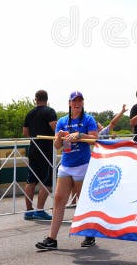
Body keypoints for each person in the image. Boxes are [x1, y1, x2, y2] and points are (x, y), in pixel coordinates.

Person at [36, 90, 98, 250]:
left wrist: (80, 135)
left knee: (82, 201)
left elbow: (94, 139)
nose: (77, 103)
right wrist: (59, 137)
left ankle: (89, 234)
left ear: (83, 102)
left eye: (80, 100)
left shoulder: (88, 119)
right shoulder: (62, 121)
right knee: (58, 200)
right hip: (66, 165)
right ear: (69, 103)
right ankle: (52, 239)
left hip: (82, 165)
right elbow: (57, 146)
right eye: (74, 100)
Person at [22, 89, 58, 221]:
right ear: (47, 99)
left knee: (31, 180)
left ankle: (29, 211)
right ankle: (40, 210)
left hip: (33, 149)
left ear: (35, 99)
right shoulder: (50, 112)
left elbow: (25, 132)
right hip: (46, 150)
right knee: (47, 180)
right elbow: (55, 128)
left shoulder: (30, 113)